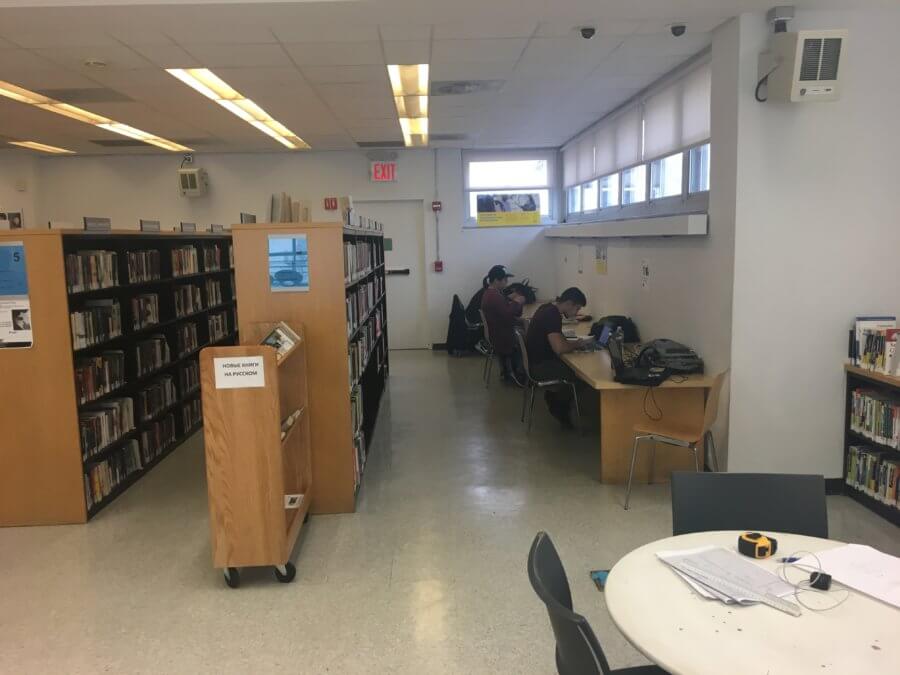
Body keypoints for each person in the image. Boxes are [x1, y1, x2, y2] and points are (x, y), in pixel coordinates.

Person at [524, 287, 592, 428]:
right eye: (577, 308)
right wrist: (578, 344)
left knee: (576, 370)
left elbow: (558, 340)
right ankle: (558, 405)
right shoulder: (552, 315)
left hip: (535, 361)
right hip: (540, 367)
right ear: (569, 303)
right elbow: (559, 348)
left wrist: (573, 344)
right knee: (582, 376)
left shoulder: (547, 308)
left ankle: (556, 399)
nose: (577, 313)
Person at [480, 265, 526, 384]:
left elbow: (504, 310)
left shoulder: (492, 293)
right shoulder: (494, 296)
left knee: (523, 329)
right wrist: (517, 302)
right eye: (505, 280)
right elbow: (508, 313)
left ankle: (512, 372)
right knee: (528, 337)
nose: (507, 282)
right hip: (502, 335)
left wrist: (509, 300)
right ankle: (520, 374)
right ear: (496, 280)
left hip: (497, 331)